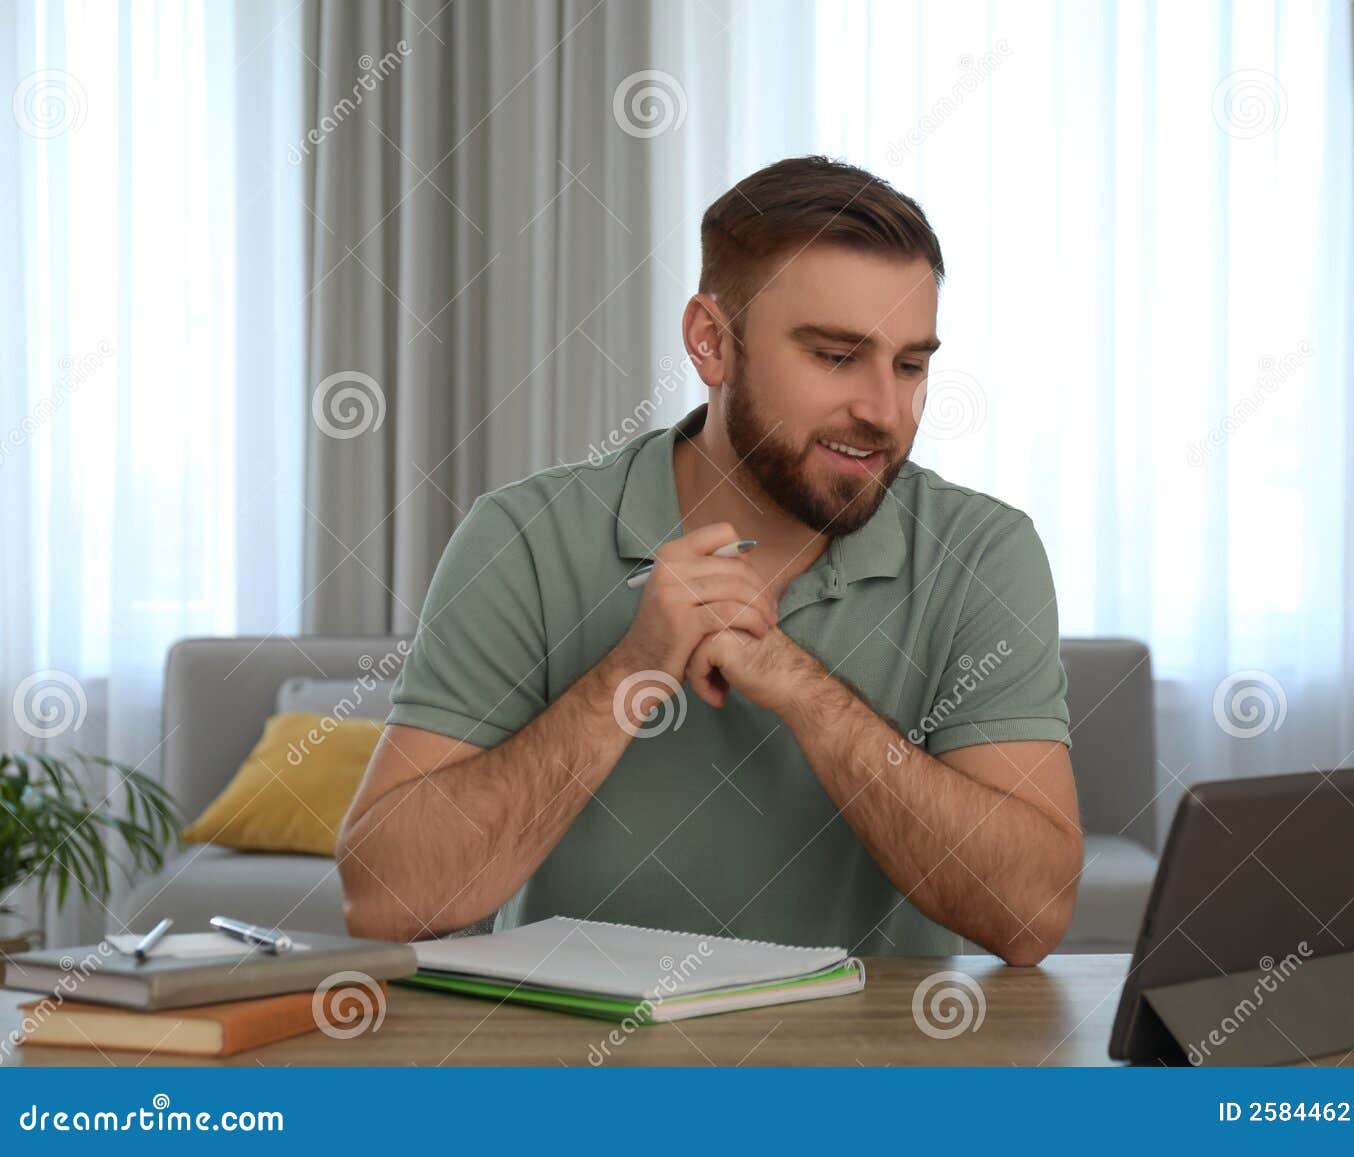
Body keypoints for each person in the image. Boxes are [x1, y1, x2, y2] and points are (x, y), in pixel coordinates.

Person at [337, 155, 1082, 964]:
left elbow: (1030, 915)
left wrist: (803, 691)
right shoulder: (523, 537)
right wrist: (632, 670)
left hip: (874, 1074)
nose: (884, 410)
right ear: (710, 342)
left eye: (910, 364)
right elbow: (385, 896)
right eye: (836, 356)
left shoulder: (984, 553)